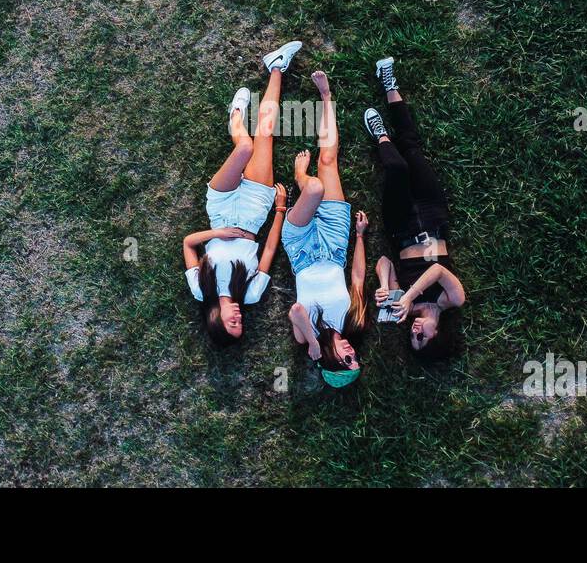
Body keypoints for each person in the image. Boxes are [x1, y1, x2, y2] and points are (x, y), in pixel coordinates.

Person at [182, 41, 303, 346]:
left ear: (215, 321)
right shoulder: (250, 294)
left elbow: (188, 243)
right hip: (253, 212)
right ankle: (276, 66)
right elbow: (270, 251)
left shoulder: (200, 289)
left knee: (245, 146)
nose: (238, 317)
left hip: (221, 210)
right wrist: (279, 210)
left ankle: (235, 115)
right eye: (241, 324)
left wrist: (219, 231)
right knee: (265, 133)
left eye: (231, 323)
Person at [362, 57, 466, 361]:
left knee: (395, 168)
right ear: (437, 335)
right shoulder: (452, 299)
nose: (415, 331)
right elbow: (437, 270)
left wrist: (385, 287)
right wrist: (409, 297)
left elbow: (383, 260)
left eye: (412, 338)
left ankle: (381, 135)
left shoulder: (400, 308)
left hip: (403, 226)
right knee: (413, 152)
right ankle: (390, 84)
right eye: (423, 337)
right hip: (434, 217)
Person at [283, 71, 369, 388]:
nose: (351, 351)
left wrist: (315, 346)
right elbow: (358, 278)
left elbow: (295, 311)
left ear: (332, 363)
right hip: (335, 245)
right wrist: (359, 237)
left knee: (315, 187)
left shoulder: (306, 336)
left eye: (347, 359)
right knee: (329, 161)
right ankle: (326, 99)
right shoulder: (353, 322)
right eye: (356, 356)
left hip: (301, 249)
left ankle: (299, 176)